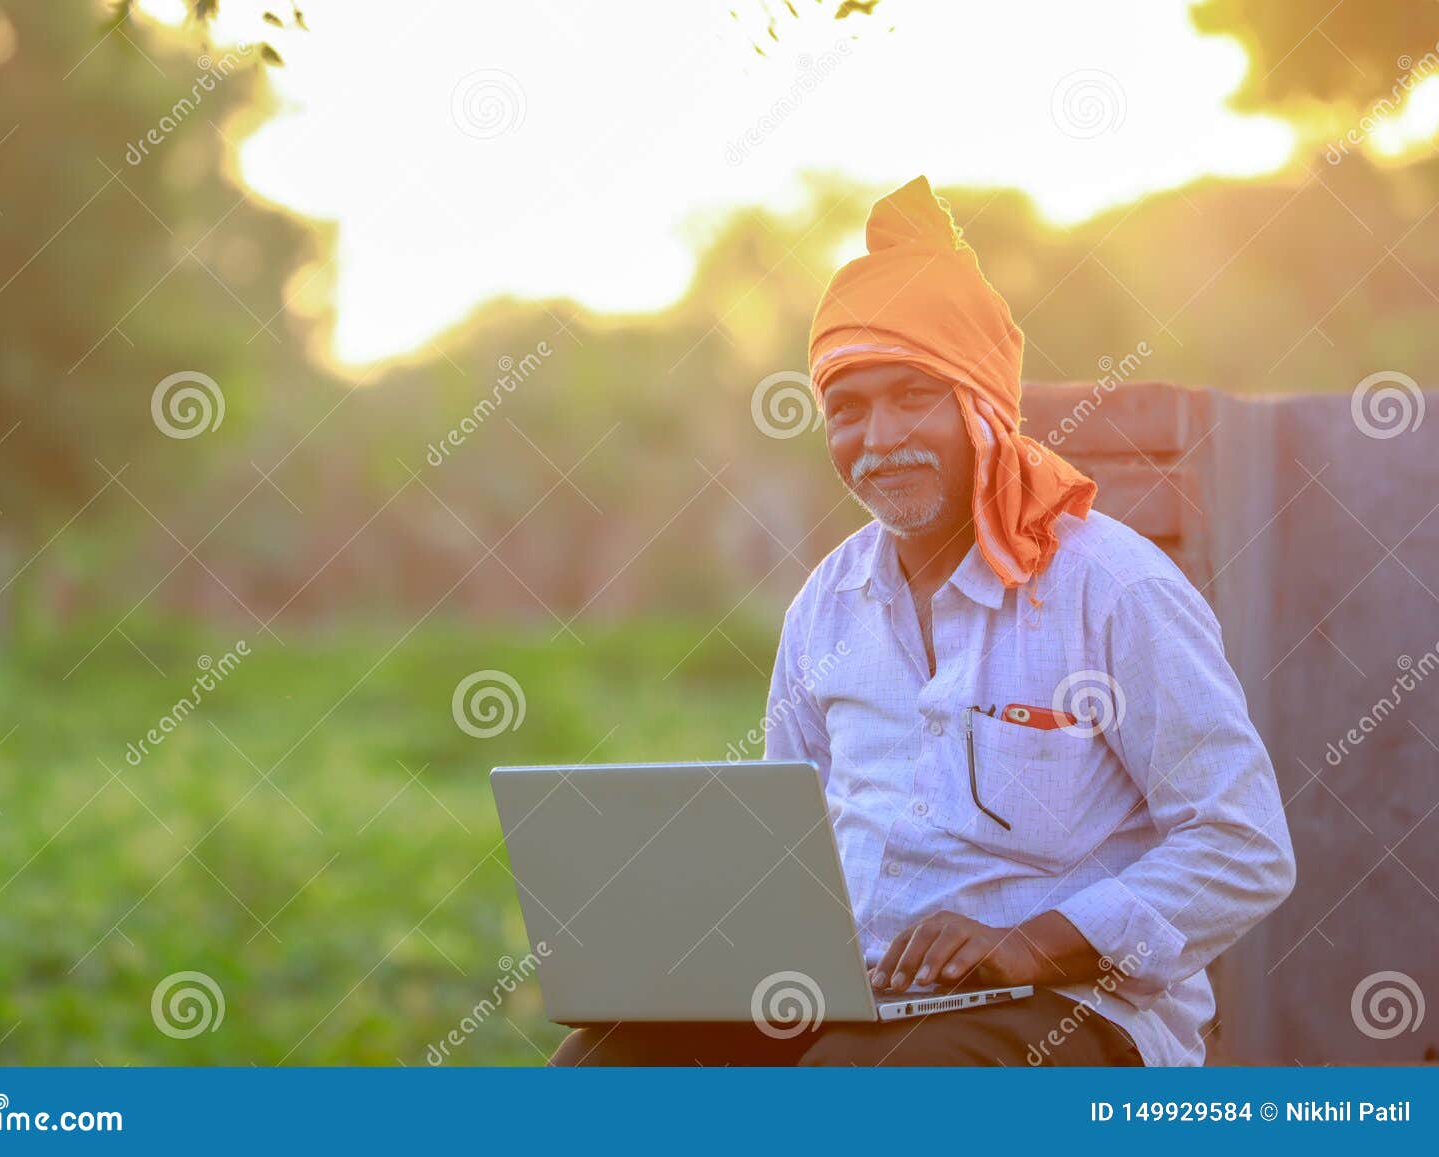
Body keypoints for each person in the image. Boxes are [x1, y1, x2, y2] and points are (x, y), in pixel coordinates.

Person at [550, 177, 1295, 1067]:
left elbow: (1243, 845)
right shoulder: (824, 606)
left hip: (1066, 1007)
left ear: (983, 407)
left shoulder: (1115, 587)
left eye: (913, 396)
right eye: (848, 409)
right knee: (601, 1072)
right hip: (854, 996)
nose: (879, 437)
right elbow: (784, 863)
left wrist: (1035, 939)